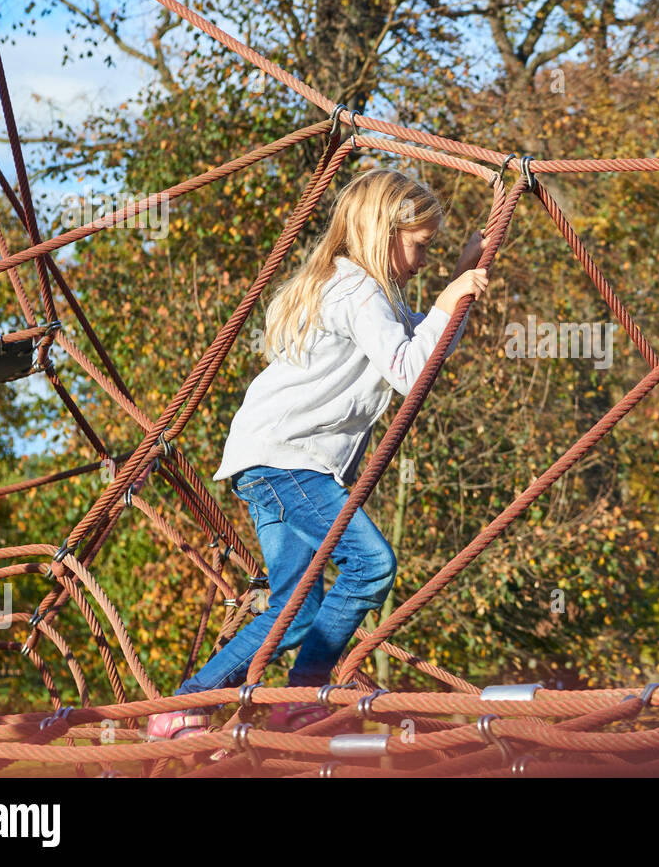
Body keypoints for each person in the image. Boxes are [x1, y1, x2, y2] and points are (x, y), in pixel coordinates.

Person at [147, 168, 491, 738]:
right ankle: (296, 695)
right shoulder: (357, 290)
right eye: (422, 246)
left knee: (298, 607)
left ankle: (190, 706)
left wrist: (457, 283)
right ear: (386, 230)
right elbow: (410, 370)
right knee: (372, 563)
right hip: (290, 462)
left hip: (268, 461)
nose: (425, 261)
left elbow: (424, 345)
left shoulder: (356, 288)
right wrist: (449, 294)